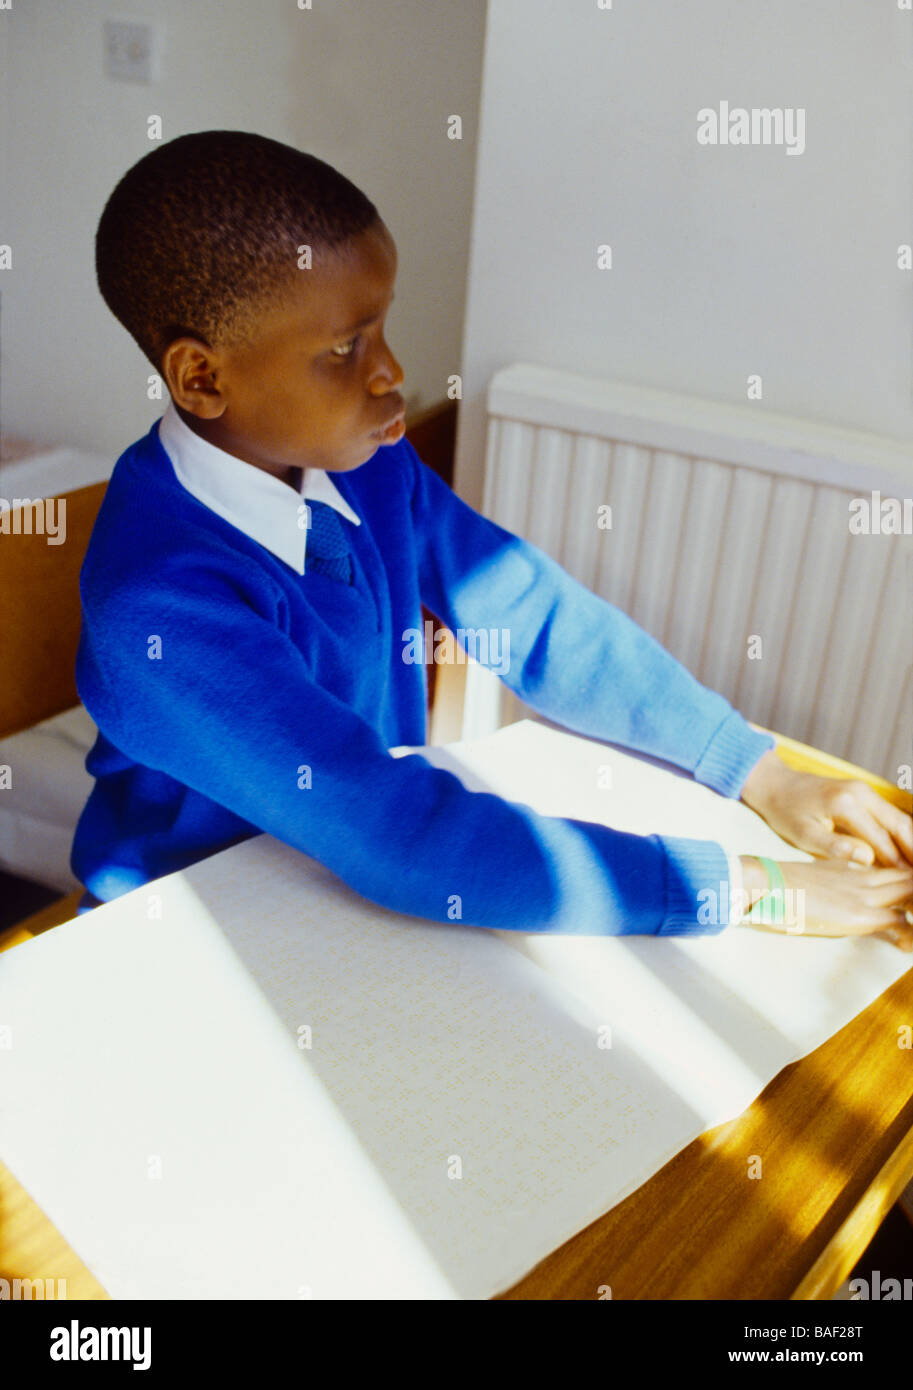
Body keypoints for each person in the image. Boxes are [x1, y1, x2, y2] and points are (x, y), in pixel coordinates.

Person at [71, 130, 913, 950]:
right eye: (343, 348)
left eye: (382, 327)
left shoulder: (365, 465)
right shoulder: (156, 603)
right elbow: (395, 832)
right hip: (197, 938)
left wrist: (757, 769)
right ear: (201, 377)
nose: (391, 372)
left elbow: (534, 616)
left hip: (356, 882)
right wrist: (748, 889)